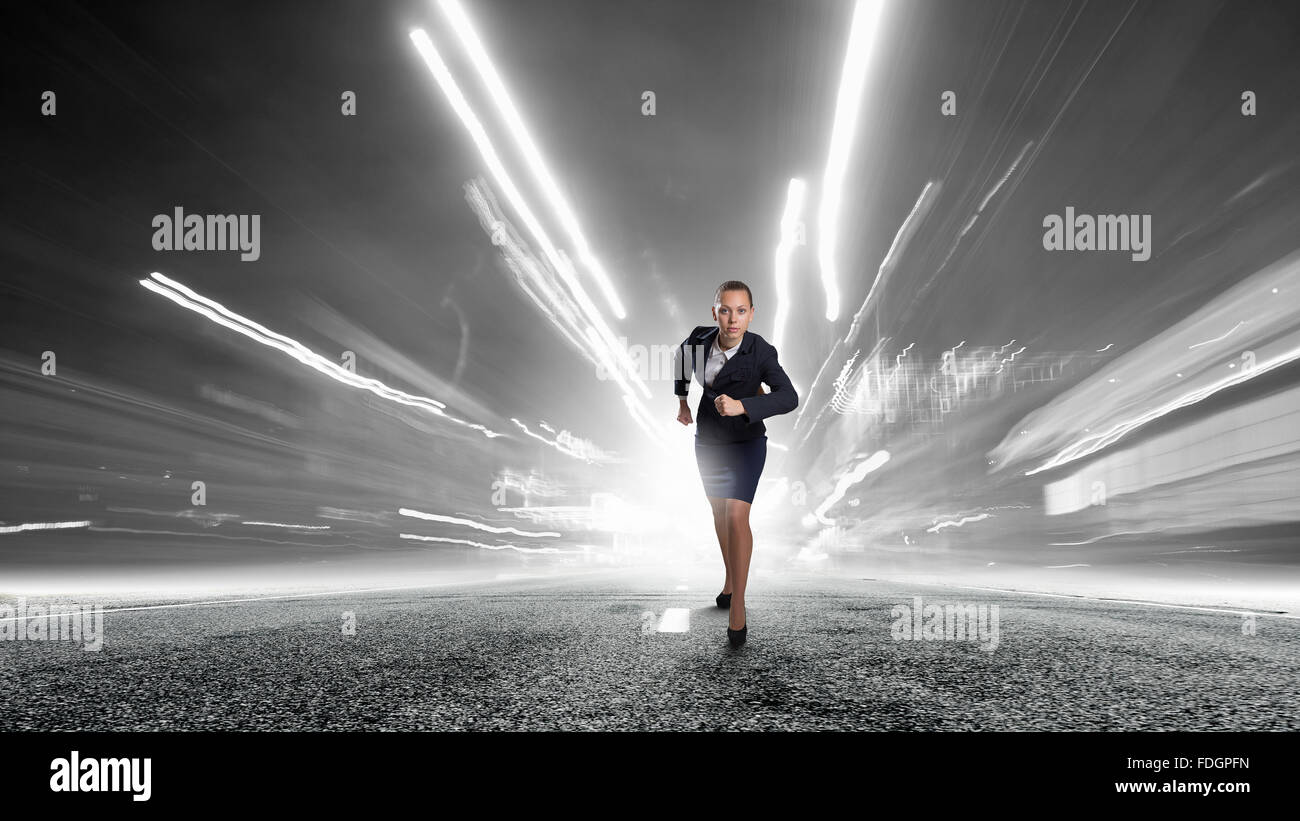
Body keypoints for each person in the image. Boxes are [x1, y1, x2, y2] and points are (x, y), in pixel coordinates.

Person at [672, 280, 799, 648]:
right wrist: (682, 403)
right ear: (715, 313)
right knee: (718, 513)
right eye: (725, 310)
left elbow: (789, 397)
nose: (733, 320)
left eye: (741, 311)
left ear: (751, 314)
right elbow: (681, 365)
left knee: (737, 516)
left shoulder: (761, 351)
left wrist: (745, 405)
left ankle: (738, 606)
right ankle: (730, 580)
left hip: (745, 440)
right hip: (709, 439)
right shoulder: (697, 340)